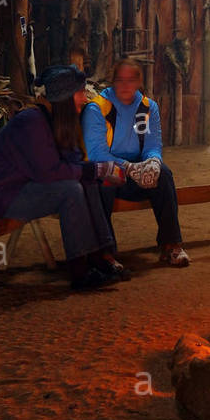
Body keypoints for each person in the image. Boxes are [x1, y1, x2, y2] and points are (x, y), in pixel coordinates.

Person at [0, 64, 130, 290]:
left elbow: (74, 162)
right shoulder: (30, 121)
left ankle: (101, 256)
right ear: (65, 97)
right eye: (80, 92)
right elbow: (49, 172)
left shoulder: (56, 120)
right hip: (3, 195)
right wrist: (93, 170)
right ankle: (80, 272)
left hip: (30, 188)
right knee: (71, 189)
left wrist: (100, 170)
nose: (84, 98)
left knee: (87, 181)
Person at [81, 58, 190, 268]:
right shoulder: (97, 109)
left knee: (164, 174)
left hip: (137, 168)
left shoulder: (148, 108)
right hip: (111, 167)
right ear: (112, 81)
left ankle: (171, 245)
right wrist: (129, 168)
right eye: (120, 80)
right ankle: (105, 252)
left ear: (139, 82)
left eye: (131, 80)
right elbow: (97, 154)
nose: (125, 85)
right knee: (104, 179)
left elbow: (152, 144)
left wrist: (153, 162)